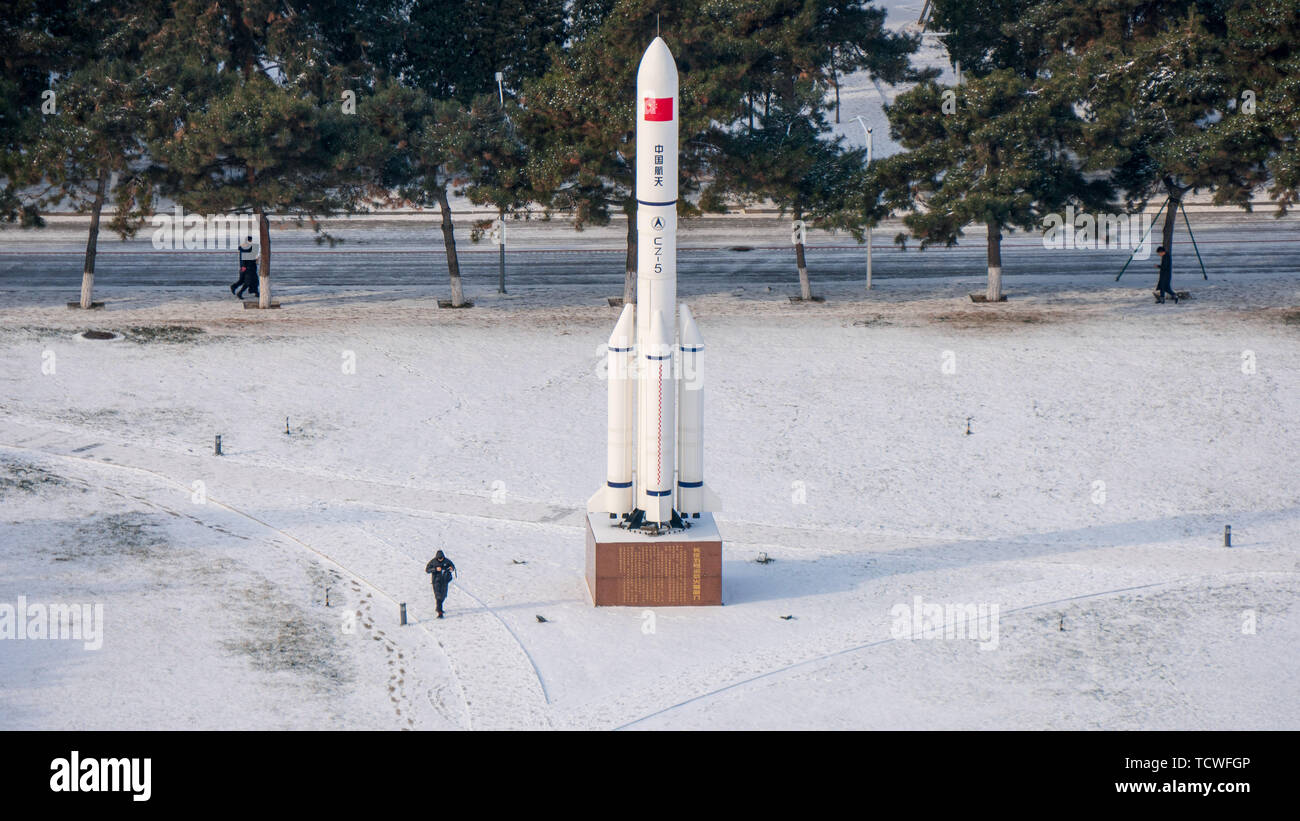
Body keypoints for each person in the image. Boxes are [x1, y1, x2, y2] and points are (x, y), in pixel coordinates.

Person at [425, 550, 456, 618]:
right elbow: (427, 570)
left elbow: (452, 566)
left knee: (444, 595)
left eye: (441, 558)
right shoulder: (433, 562)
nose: (440, 560)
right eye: (439, 559)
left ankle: (438, 607)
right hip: (436, 581)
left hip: (445, 580)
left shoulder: (447, 561)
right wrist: (435, 569)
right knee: (438, 596)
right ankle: (440, 612)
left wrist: (451, 568)